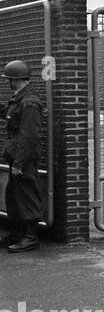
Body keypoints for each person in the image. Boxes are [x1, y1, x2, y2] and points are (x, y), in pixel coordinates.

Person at [2, 60, 45, 252]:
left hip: (23, 158)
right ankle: (18, 234)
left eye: (9, 80)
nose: (8, 83)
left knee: (26, 195)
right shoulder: (20, 99)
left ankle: (30, 236)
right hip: (17, 156)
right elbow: (10, 114)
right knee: (14, 196)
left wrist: (19, 162)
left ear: (15, 80)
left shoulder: (29, 102)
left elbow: (29, 136)